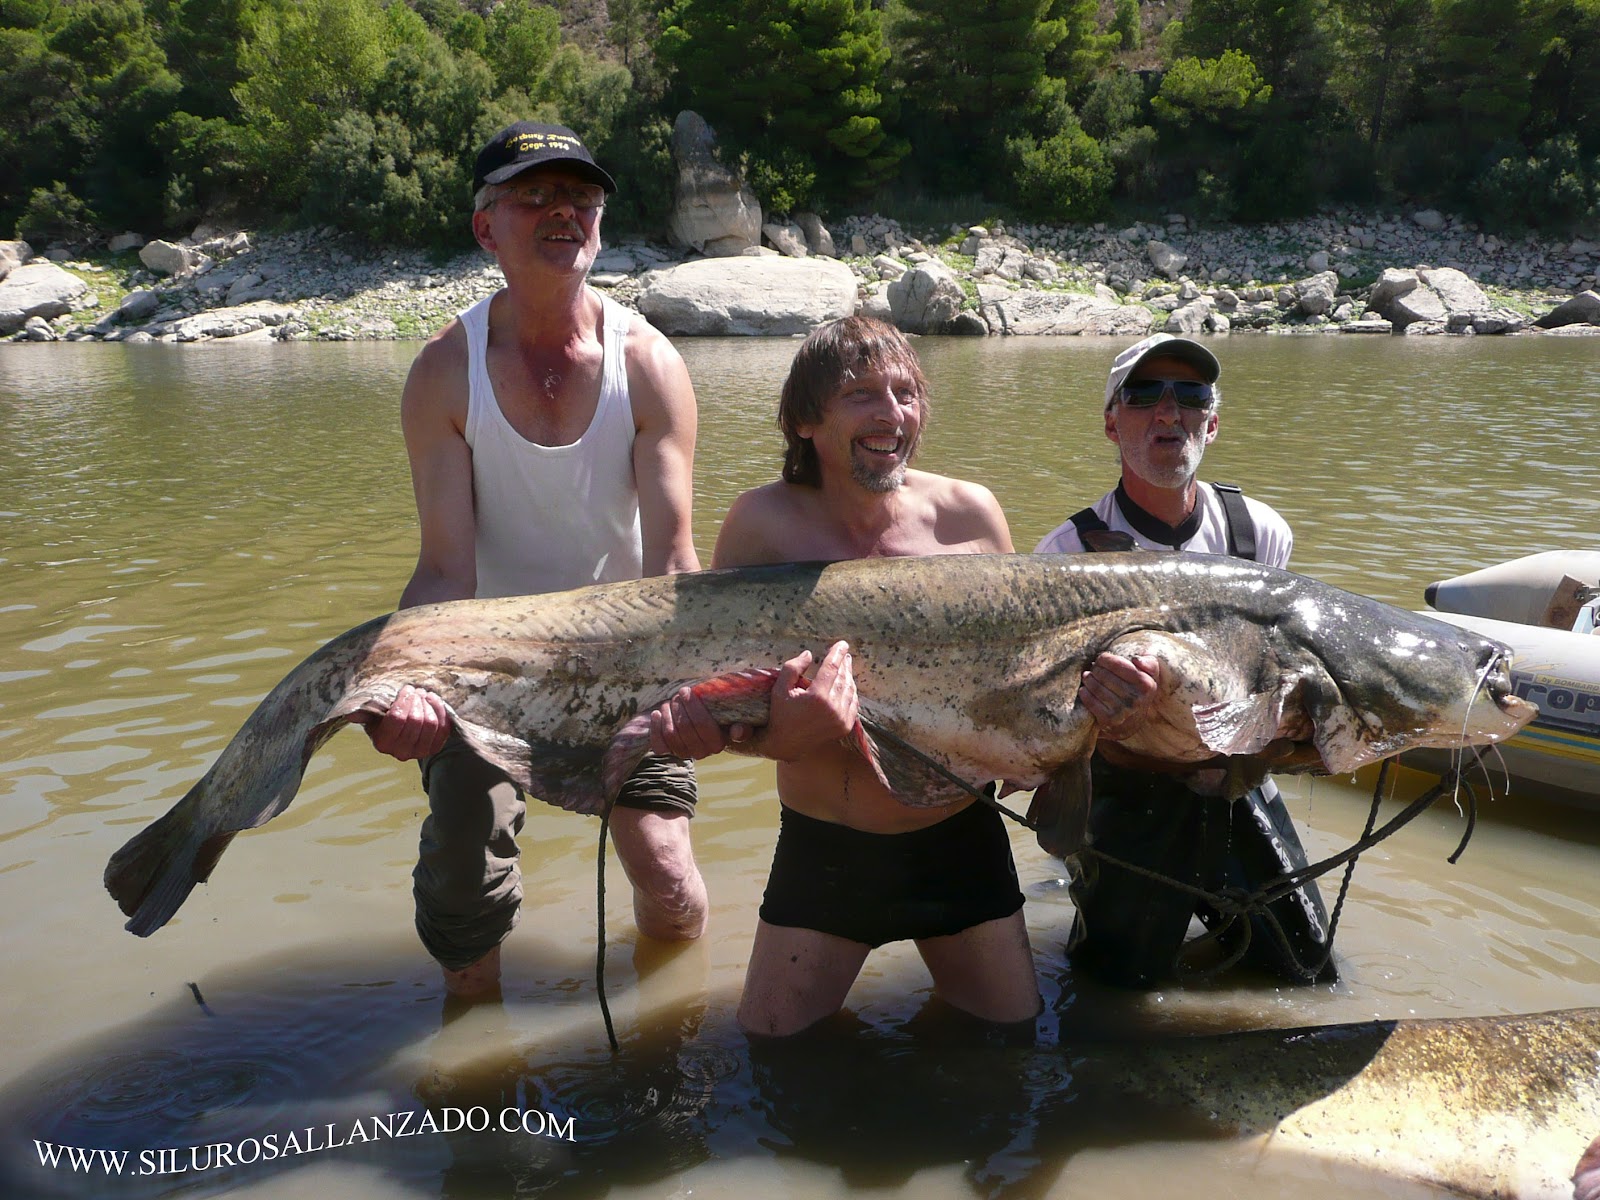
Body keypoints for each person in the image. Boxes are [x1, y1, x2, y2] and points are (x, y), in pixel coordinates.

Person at [649, 316, 1155, 1037]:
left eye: (906, 393)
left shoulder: (969, 517)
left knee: (1012, 1051)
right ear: (804, 421)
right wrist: (775, 741)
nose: (893, 415)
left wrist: (1066, 734)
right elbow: (729, 702)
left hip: (960, 840)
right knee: (769, 1055)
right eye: (862, 395)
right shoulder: (761, 527)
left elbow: (1013, 685)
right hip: (827, 847)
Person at [364, 121, 708, 999]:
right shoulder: (445, 369)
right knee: (461, 894)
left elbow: (672, 560)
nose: (566, 213)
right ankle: (475, 1069)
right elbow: (446, 571)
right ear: (488, 229)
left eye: (582, 197)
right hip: (490, 669)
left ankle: (666, 1031)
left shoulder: (651, 363)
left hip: (626, 663)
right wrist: (405, 684)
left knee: (671, 886)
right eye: (536, 197)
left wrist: (697, 692)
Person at [1035, 332, 1333, 987]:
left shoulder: (1261, 535)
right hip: (1127, 794)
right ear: (1112, 424)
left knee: (1307, 971)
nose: (1169, 413)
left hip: (1236, 780)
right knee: (1111, 991)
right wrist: (1099, 699)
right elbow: (1048, 719)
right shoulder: (1064, 555)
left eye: (1190, 396)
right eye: (1144, 396)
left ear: (1213, 422)